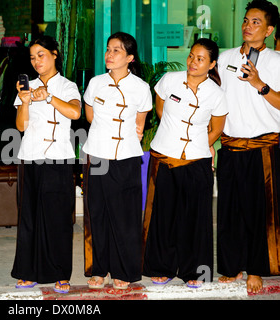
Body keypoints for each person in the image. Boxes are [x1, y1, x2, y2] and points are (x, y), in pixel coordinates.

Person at [142, 38, 228, 289]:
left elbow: (217, 129)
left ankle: (195, 271)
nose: (193, 62)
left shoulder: (216, 93)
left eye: (200, 59)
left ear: (212, 64)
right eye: (192, 56)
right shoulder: (170, 80)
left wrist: (196, 145)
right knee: (163, 215)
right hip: (163, 156)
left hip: (196, 161)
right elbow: (159, 106)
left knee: (196, 219)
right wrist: (171, 133)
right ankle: (162, 267)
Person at [216, 0, 280, 294]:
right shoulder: (226, 57)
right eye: (245, 20)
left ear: (268, 30)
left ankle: (256, 268)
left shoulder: (277, 61)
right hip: (230, 146)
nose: (247, 26)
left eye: (255, 22)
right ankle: (231, 267)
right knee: (229, 209)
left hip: (263, 147)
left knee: (259, 212)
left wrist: (259, 83)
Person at [11, 35, 81, 294]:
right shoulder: (26, 87)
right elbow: (21, 126)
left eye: (41, 54)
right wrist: (26, 102)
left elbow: (75, 113)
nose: (36, 61)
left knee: (59, 218)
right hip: (30, 156)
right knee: (28, 216)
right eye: (32, 57)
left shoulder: (68, 85)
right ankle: (27, 272)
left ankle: (61, 273)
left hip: (59, 157)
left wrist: (49, 97)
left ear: (54, 54)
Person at [82, 32, 152, 289]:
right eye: (108, 49)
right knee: (97, 214)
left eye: (116, 51)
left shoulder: (141, 88)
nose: (109, 55)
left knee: (125, 217)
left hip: (126, 157)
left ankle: (124, 270)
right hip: (98, 155)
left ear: (130, 58)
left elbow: (140, 122)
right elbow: (89, 116)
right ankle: (99, 269)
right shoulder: (95, 83)